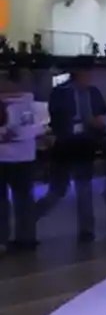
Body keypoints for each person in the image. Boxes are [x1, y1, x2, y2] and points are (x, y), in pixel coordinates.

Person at [39, 60, 106, 241]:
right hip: (65, 144)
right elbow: (56, 118)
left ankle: (87, 231)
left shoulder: (93, 93)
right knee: (57, 190)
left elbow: (103, 113)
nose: (89, 77)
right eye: (86, 73)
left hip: (85, 144)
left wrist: (101, 123)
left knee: (84, 188)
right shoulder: (61, 92)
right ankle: (29, 218)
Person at [0, 69, 41, 252]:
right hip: (21, 157)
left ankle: (15, 239)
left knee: (15, 200)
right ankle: (24, 238)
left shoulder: (27, 103)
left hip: (17, 157)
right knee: (21, 200)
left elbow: (34, 128)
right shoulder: (29, 103)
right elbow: (36, 128)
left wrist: (12, 134)